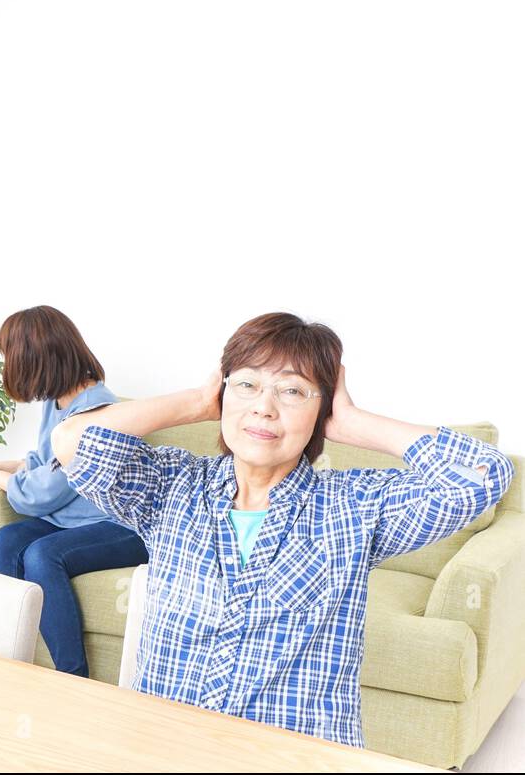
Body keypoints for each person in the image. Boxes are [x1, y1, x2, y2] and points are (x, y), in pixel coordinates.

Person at [50, 311, 515, 748]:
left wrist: (353, 422)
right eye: (247, 385)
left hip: (297, 758)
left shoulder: (355, 506)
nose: (265, 408)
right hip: (168, 747)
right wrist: (194, 402)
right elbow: (70, 442)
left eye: (292, 391)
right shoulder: (170, 487)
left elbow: (483, 474)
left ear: (322, 409)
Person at [0, 305, 147, 677]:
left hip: (121, 523)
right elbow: (44, 464)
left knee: (42, 555)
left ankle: (73, 678)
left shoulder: (94, 411)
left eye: (10, 357)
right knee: (4, 543)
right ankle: (7, 656)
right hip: (73, 519)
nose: (7, 367)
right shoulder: (59, 402)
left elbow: (41, 495)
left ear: (37, 359)